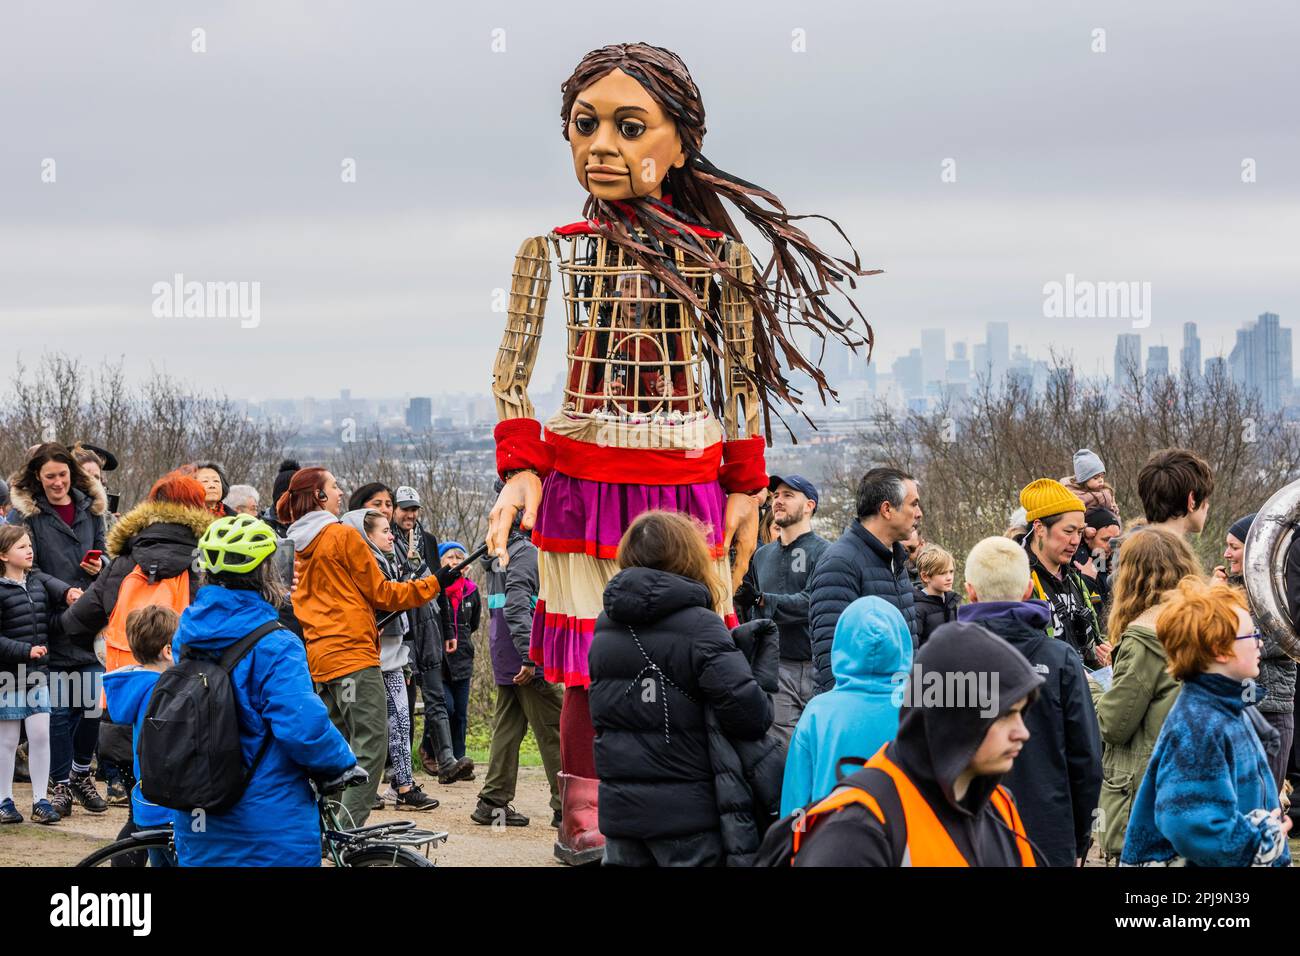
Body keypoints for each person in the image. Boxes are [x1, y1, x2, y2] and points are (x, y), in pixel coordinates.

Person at [171, 514, 360, 866]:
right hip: (268, 817)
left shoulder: (187, 632)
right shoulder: (277, 643)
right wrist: (340, 762)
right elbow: (301, 724)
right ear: (265, 573)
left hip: (198, 806)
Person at [589, 511, 774, 866]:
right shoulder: (701, 626)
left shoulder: (605, 627)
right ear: (687, 555)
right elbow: (751, 716)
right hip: (687, 816)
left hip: (621, 815)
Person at [278, 467, 456, 827]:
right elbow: (384, 593)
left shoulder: (291, 543)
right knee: (372, 745)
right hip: (353, 656)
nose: (342, 492)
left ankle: (326, 828)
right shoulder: (341, 536)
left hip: (319, 659)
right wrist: (435, 583)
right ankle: (347, 833)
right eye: (335, 486)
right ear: (319, 497)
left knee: (335, 748)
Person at [791, 622, 1042, 866]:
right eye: (1005, 714)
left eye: (1021, 713)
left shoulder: (999, 805)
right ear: (955, 716)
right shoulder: (854, 834)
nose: (1022, 732)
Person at [59, 471, 213, 808]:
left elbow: (74, 622)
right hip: (183, 704)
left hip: (123, 706)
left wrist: (103, 644)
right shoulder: (204, 563)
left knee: (140, 815)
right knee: (176, 814)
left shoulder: (125, 561)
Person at [1122, 577, 1291, 867]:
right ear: (1219, 649)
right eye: (1251, 635)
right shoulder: (1198, 724)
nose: (1259, 643)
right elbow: (1190, 824)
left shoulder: (1228, 708)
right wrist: (1261, 839)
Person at [957, 535, 1102, 867]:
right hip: (1047, 836)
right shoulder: (1061, 658)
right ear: (1027, 591)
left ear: (970, 591)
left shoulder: (943, 657)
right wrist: (1080, 835)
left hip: (966, 836)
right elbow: (1086, 757)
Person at [7, 443, 108, 816]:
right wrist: (62, 591)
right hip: (46, 615)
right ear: (38, 476)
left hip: (90, 612)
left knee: (93, 703)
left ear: (71, 474)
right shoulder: (26, 514)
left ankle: (82, 772)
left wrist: (101, 566)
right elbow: (26, 563)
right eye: (49, 476)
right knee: (61, 710)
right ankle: (61, 784)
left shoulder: (92, 507)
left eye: (62, 474)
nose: (57, 482)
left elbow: (105, 549)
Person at [1091, 526, 1202, 861]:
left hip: (1146, 798)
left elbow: (1113, 724)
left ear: (1132, 577)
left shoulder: (1143, 638)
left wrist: (1092, 686)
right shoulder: (1199, 624)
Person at [340, 508, 439, 811]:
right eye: (384, 531)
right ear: (365, 536)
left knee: (399, 722)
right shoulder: (364, 565)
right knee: (369, 726)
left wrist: (413, 567)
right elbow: (384, 602)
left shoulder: (390, 560)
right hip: (370, 658)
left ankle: (402, 786)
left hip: (394, 657)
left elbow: (415, 593)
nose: (391, 535)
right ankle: (364, 788)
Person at [472, 516, 563, 831]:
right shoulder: (524, 550)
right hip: (524, 652)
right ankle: (569, 807)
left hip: (503, 649)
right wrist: (530, 656)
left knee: (508, 726)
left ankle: (493, 801)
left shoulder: (500, 549)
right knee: (557, 727)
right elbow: (516, 606)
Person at [779, 596, 909, 817]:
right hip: (908, 841)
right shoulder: (920, 710)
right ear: (902, 640)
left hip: (831, 840)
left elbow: (796, 798)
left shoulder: (818, 713)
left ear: (842, 642)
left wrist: (795, 845)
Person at [733, 474, 829, 746]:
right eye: (776, 496)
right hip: (775, 668)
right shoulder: (761, 556)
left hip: (817, 666)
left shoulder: (826, 553)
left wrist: (763, 600)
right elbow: (750, 609)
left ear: (809, 505)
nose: (778, 501)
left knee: (820, 747)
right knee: (782, 752)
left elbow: (813, 602)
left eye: (788, 495)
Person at [809, 467, 922, 695]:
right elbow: (829, 653)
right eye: (914, 504)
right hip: (862, 712)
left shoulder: (897, 561)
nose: (919, 513)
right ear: (887, 509)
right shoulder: (840, 563)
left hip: (898, 705)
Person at [390, 485, 474, 784]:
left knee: (437, 697)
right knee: (405, 701)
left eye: (414, 509)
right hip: (401, 629)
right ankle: (399, 768)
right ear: (394, 510)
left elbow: (440, 587)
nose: (410, 515)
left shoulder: (427, 541)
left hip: (430, 627)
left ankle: (447, 760)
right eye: (405, 509)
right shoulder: (385, 540)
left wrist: (449, 629)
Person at [0, 526, 80, 826]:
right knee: (7, 740)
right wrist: (25, 651)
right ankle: (4, 800)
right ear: (3, 555)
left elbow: (49, 622)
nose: (29, 550)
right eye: (21, 547)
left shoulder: (37, 584)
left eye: (30, 544)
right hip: (8, 676)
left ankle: (40, 801)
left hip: (38, 676)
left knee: (40, 736)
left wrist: (73, 614)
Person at [1213, 512, 1295, 791]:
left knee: (1265, 803)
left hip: (1271, 712)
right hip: (1235, 709)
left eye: (1234, 547)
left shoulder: (1276, 591)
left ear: (1254, 549)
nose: (1226, 554)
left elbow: (1271, 640)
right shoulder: (1231, 589)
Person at [102, 605, 180, 866]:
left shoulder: (137, 686)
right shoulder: (164, 691)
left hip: (147, 802)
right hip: (170, 803)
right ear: (168, 651)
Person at [1019, 478, 1107, 669]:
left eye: (1080, 532)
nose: (1076, 541)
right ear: (1040, 528)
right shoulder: (1018, 582)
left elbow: (1091, 637)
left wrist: (1103, 652)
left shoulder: (1075, 578)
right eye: (1068, 531)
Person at [439, 542, 479, 762]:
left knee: (461, 713)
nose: (455, 562)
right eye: (449, 557)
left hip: (463, 658)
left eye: (459, 557)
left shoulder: (472, 592)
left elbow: (473, 624)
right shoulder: (434, 590)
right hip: (439, 661)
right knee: (447, 706)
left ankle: (459, 757)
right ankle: (437, 753)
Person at [1137, 447, 1213, 539]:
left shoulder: (1122, 548)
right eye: (1205, 498)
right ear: (1191, 500)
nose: (1207, 506)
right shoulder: (1167, 553)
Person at [911, 543, 958, 648]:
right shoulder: (917, 609)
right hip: (927, 664)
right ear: (925, 576)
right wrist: (919, 666)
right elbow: (915, 648)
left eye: (951, 572)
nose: (949, 577)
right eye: (942, 573)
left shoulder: (951, 602)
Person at [1061, 448, 1120, 519]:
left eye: (1102, 477)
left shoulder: (1107, 491)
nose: (1100, 480)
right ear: (1084, 480)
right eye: (1095, 478)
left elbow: (1114, 510)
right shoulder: (1076, 497)